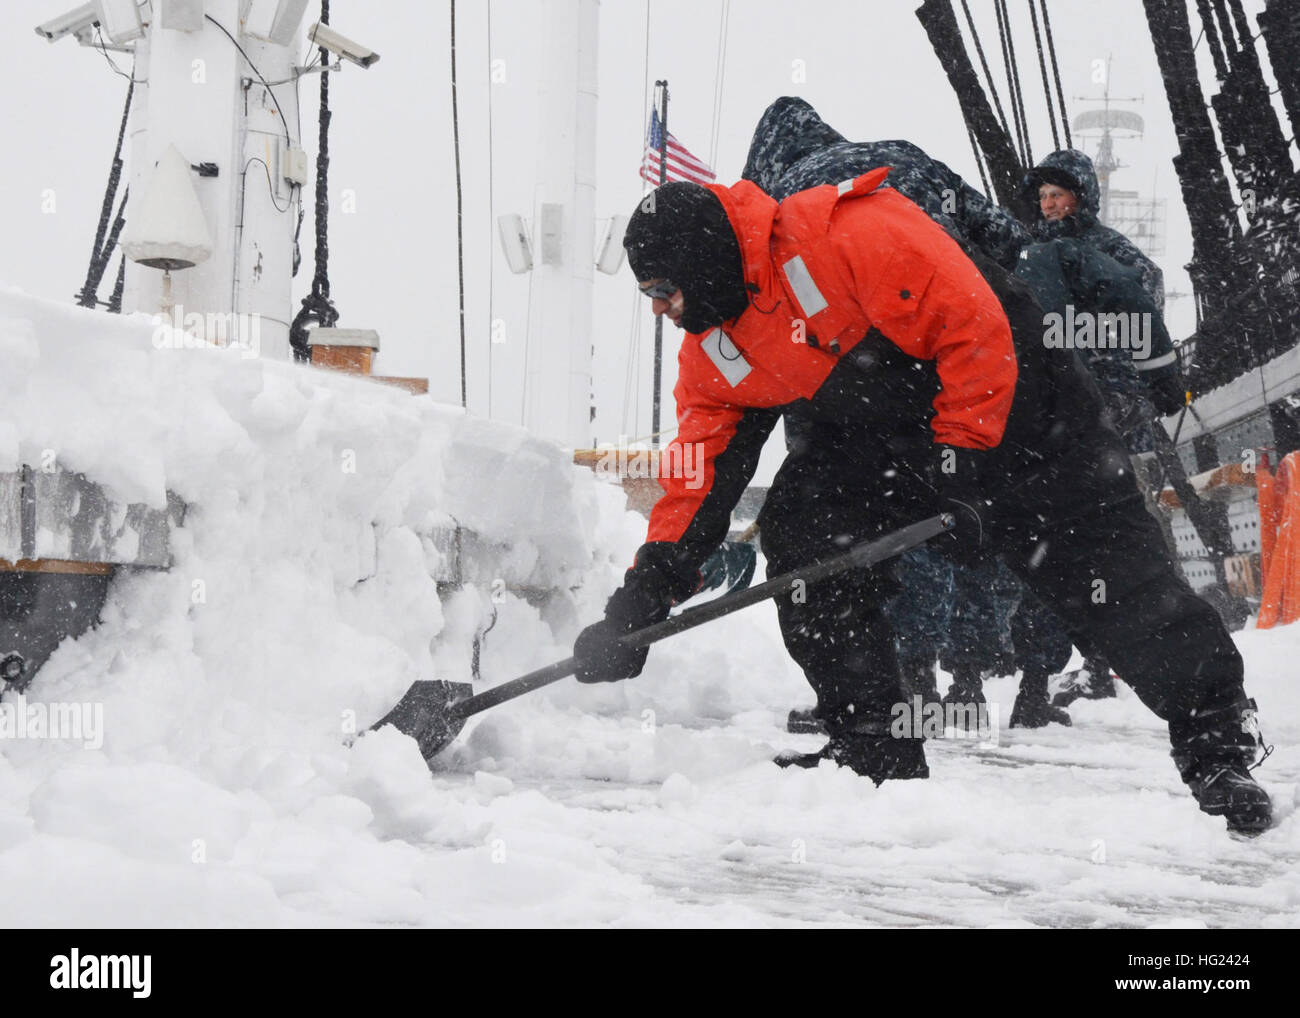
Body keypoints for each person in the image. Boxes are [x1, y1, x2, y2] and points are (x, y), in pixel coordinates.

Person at [572, 168, 1272, 835]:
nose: (661, 310)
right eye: (648, 296)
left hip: (1029, 408)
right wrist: (643, 596)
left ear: (704, 262)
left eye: (664, 289)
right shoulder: (715, 347)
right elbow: (701, 473)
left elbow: (974, 329)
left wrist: (961, 465)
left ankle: (1216, 741)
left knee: (1107, 578)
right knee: (806, 534)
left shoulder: (847, 234)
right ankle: (874, 743)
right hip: (889, 435)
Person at [1013, 150, 1188, 712]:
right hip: (1059, 426)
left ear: (1083, 196)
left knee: (1121, 545)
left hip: (1114, 424)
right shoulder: (1032, 259)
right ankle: (1035, 683)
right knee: (1048, 546)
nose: (1049, 204)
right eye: (1042, 197)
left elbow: (1147, 325)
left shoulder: (1117, 257)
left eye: (1058, 194)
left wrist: (1129, 396)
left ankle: (1106, 666)